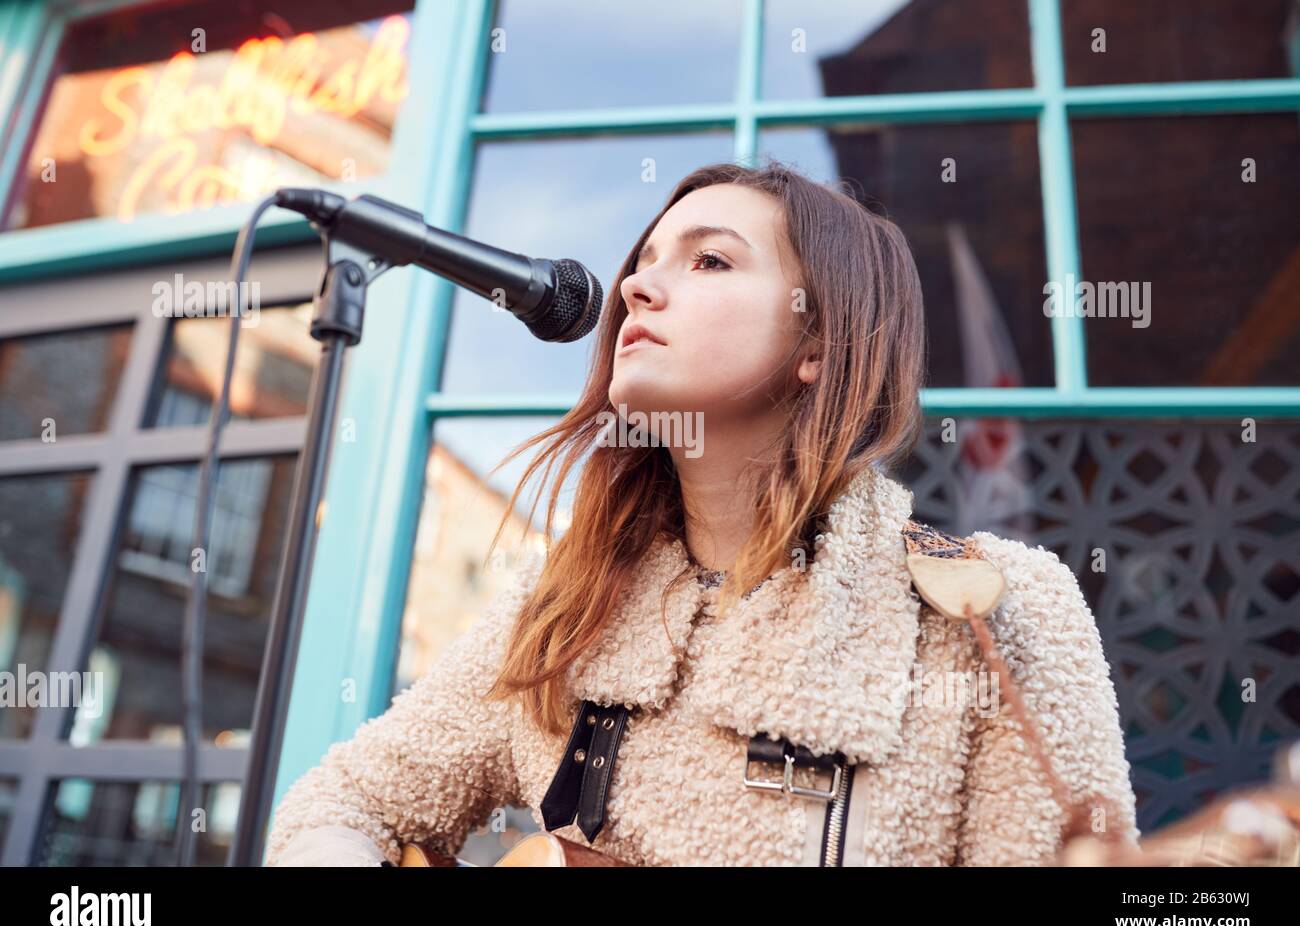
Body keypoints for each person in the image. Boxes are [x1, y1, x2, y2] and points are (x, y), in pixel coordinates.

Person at [265, 160, 1139, 866]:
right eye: (643, 263)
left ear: (819, 343)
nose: (638, 289)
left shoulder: (995, 608)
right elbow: (340, 803)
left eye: (709, 260)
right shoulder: (558, 610)